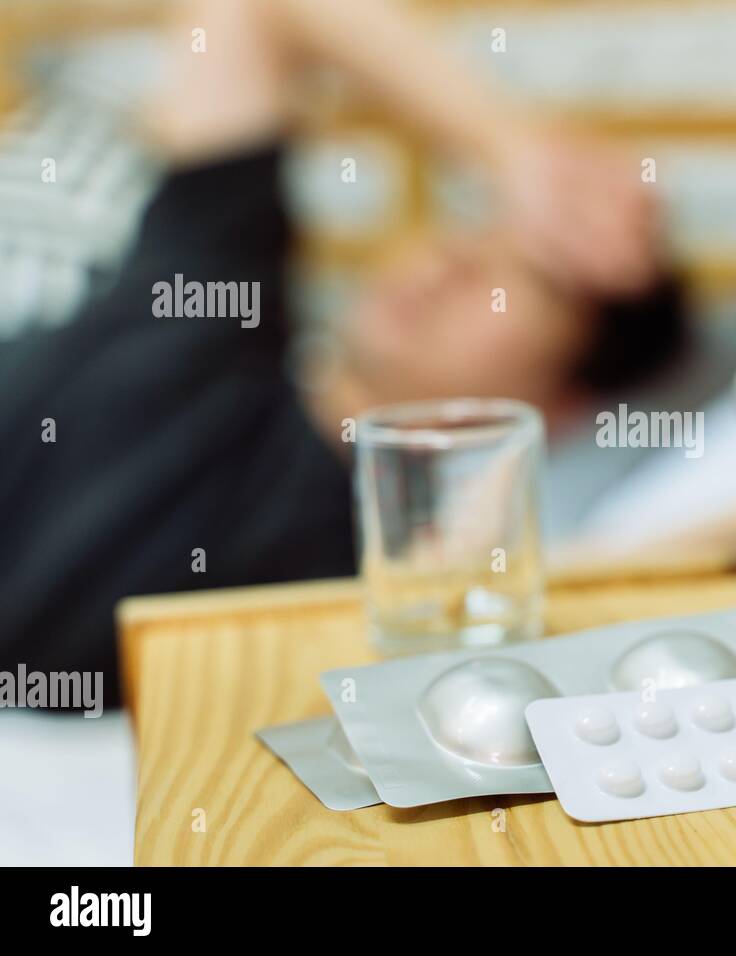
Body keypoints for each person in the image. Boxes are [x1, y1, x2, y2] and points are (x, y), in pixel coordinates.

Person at [0, 0, 687, 706]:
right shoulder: (220, 291)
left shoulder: (378, 585)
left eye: (526, 279)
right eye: (473, 226)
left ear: (567, 404)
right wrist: (509, 151)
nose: (449, 264)